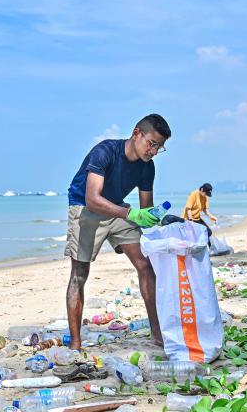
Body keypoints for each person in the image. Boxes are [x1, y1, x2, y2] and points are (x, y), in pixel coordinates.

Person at [65, 114, 171, 350]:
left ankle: (158, 335)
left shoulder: (147, 168)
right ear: (136, 134)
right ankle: (75, 344)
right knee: (79, 273)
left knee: (145, 265)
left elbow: (144, 212)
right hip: (85, 207)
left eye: (159, 148)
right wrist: (131, 214)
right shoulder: (105, 152)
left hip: (116, 209)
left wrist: (157, 218)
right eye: (151, 144)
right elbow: (92, 199)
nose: (153, 151)